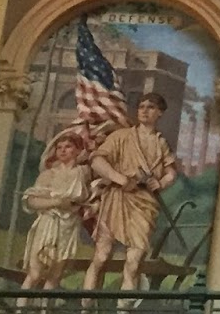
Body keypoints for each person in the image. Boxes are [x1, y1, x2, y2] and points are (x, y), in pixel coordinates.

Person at [82, 93, 178, 292]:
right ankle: (86, 306)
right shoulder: (121, 136)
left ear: (160, 112)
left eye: (150, 107)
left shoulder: (161, 143)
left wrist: (159, 183)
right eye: (141, 106)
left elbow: (171, 173)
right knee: (101, 257)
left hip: (144, 203)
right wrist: (121, 179)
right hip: (117, 198)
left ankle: (123, 310)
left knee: (134, 262)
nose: (144, 111)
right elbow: (97, 161)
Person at [18, 130, 93, 292]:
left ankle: (45, 308)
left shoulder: (83, 173)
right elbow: (32, 201)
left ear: (77, 150)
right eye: (59, 147)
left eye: (68, 146)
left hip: (69, 227)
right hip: (49, 223)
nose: (63, 150)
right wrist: (57, 202)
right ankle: (20, 308)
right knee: (35, 274)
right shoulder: (49, 175)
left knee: (55, 275)